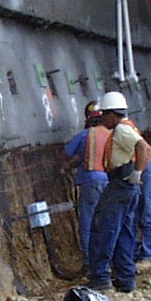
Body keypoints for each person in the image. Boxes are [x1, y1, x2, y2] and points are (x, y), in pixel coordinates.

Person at [87, 91, 151, 292]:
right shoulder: (127, 127)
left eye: (104, 115)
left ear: (112, 114)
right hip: (127, 186)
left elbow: (144, 148)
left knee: (104, 228)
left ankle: (100, 277)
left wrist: (137, 172)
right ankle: (125, 278)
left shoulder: (122, 130)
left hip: (120, 183)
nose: (102, 120)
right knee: (125, 232)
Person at [61, 101, 111, 274]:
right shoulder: (111, 134)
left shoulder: (85, 135)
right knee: (108, 222)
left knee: (88, 224)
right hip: (110, 182)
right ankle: (109, 261)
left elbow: (67, 153)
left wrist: (65, 165)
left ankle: (90, 263)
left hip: (90, 182)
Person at [134, 155, 151, 269]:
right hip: (135, 169)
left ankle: (146, 255)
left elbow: (146, 149)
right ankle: (135, 253)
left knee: (147, 212)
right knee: (134, 214)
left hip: (144, 170)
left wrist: (138, 171)